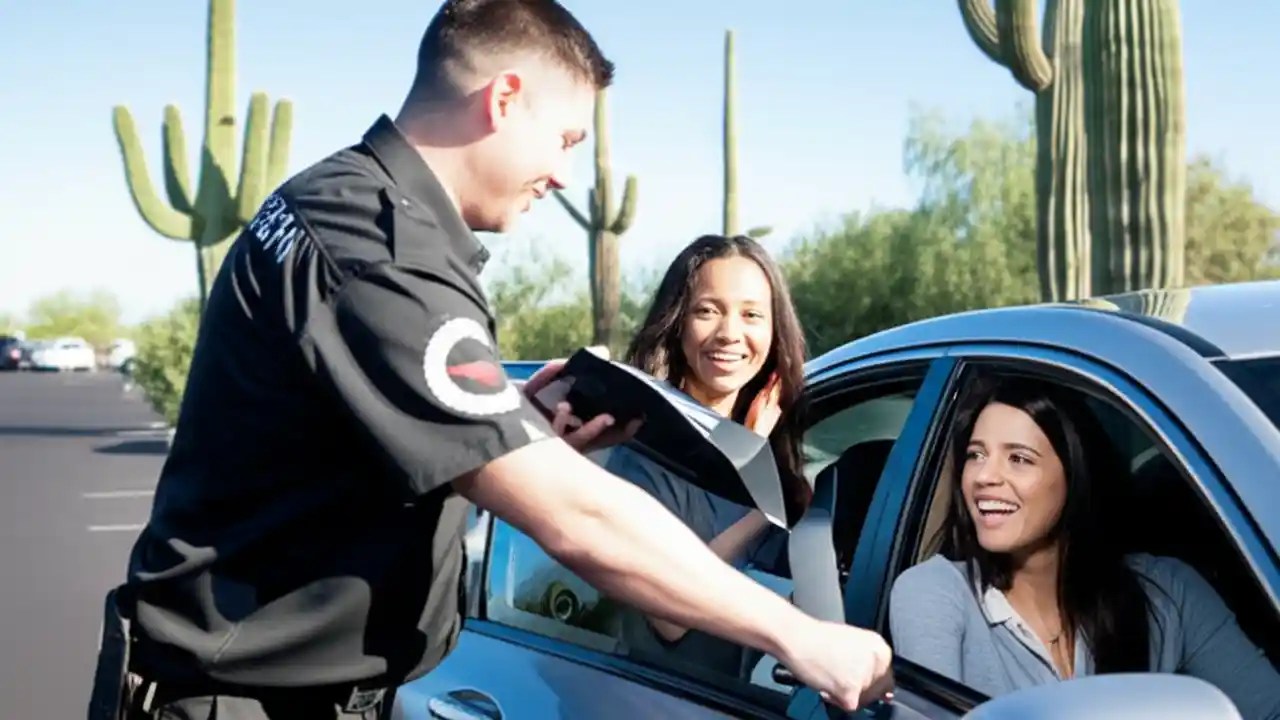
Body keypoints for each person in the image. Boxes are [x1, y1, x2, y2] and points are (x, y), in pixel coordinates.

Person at [88, 2, 894, 718]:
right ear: (505, 99)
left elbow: (336, 448)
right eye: (567, 137)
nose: (567, 172)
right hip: (245, 693)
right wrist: (799, 635)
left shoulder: (350, 205)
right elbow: (576, 519)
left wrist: (506, 430)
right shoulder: (382, 254)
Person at [888, 374, 1280, 719]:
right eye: (976, 455)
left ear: (1075, 476)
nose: (984, 476)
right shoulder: (935, 592)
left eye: (1019, 459)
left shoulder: (1168, 593)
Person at [558, 234, 807, 682]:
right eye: (707, 310)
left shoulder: (771, 447)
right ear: (677, 323)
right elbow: (669, 619)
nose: (730, 333)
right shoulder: (645, 455)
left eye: (751, 314)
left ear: (774, 331)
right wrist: (766, 501)